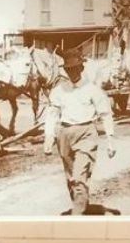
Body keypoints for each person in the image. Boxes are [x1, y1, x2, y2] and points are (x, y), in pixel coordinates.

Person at [43, 52, 116, 215]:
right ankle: (83, 205)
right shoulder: (59, 91)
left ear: (81, 68)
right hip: (65, 135)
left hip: (86, 134)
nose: (72, 72)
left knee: (79, 175)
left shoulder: (92, 90)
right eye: (68, 69)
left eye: (75, 68)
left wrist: (110, 140)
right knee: (71, 178)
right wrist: (48, 137)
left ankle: (78, 215)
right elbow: (52, 114)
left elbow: (105, 114)